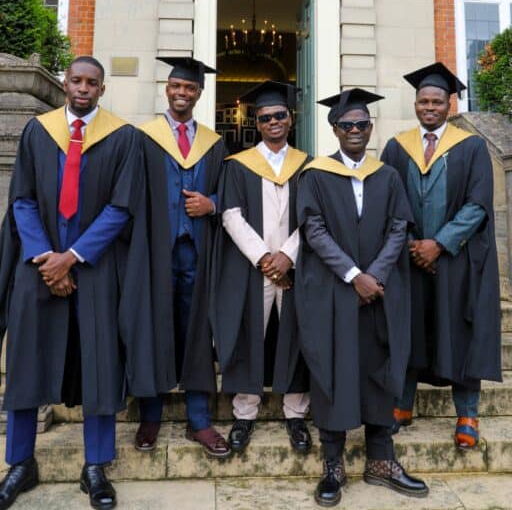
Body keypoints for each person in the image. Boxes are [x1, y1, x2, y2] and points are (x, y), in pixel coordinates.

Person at [0, 56, 154, 510]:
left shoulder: (122, 137)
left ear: (103, 90)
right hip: (39, 264)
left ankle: (96, 467)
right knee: (27, 360)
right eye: (76, 80)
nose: (83, 88)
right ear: (64, 84)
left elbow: (121, 207)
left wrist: (73, 257)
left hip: (94, 266)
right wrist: (47, 256)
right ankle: (20, 464)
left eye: (92, 82)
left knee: (99, 362)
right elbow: (22, 199)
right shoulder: (37, 131)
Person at [296, 88, 429, 507]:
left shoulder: (386, 175)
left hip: (379, 293)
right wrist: (354, 275)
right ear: (334, 130)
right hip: (333, 294)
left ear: (370, 129)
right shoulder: (315, 175)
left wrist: (374, 275)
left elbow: (398, 228)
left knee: (379, 368)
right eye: (346, 125)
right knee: (332, 370)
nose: (355, 131)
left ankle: (381, 460)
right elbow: (313, 230)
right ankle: (333, 464)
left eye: (362, 124)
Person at [381, 62, 501, 449]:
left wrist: (440, 242)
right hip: (408, 257)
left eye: (436, 101)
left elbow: (478, 205)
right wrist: (413, 243)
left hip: (456, 260)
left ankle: (467, 413)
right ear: (415, 104)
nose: (429, 107)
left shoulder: (471, 147)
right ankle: (401, 405)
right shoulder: (397, 147)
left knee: (462, 330)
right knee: (408, 328)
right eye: (423, 101)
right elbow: (388, 201)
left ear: (449, 104)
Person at [135, 57, 231, 459]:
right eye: (176, 86)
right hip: (156, 251)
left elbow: (232, 192)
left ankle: (198, 419)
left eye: (189, 88)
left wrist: (212, 204)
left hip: (198, 252)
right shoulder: (143, 138)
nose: (181, 93)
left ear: (199, 93)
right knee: (155, 326)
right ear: (166, 88)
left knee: (197, 332)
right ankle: (151, 413)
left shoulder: (215, 142)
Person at [211, 81, 312, 455]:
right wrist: (265, 259)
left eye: (279, 116)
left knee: (296, 335)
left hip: (294, 265)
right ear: (257, 121)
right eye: (266, 117)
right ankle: (245, 413)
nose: (273, 121)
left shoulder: (307, 165)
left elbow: (314, 218)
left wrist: (288, 254)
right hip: (254, 267)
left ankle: (296, 413)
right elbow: (231, 216)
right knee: (249, 334)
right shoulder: (238, 165)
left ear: (290, 118)